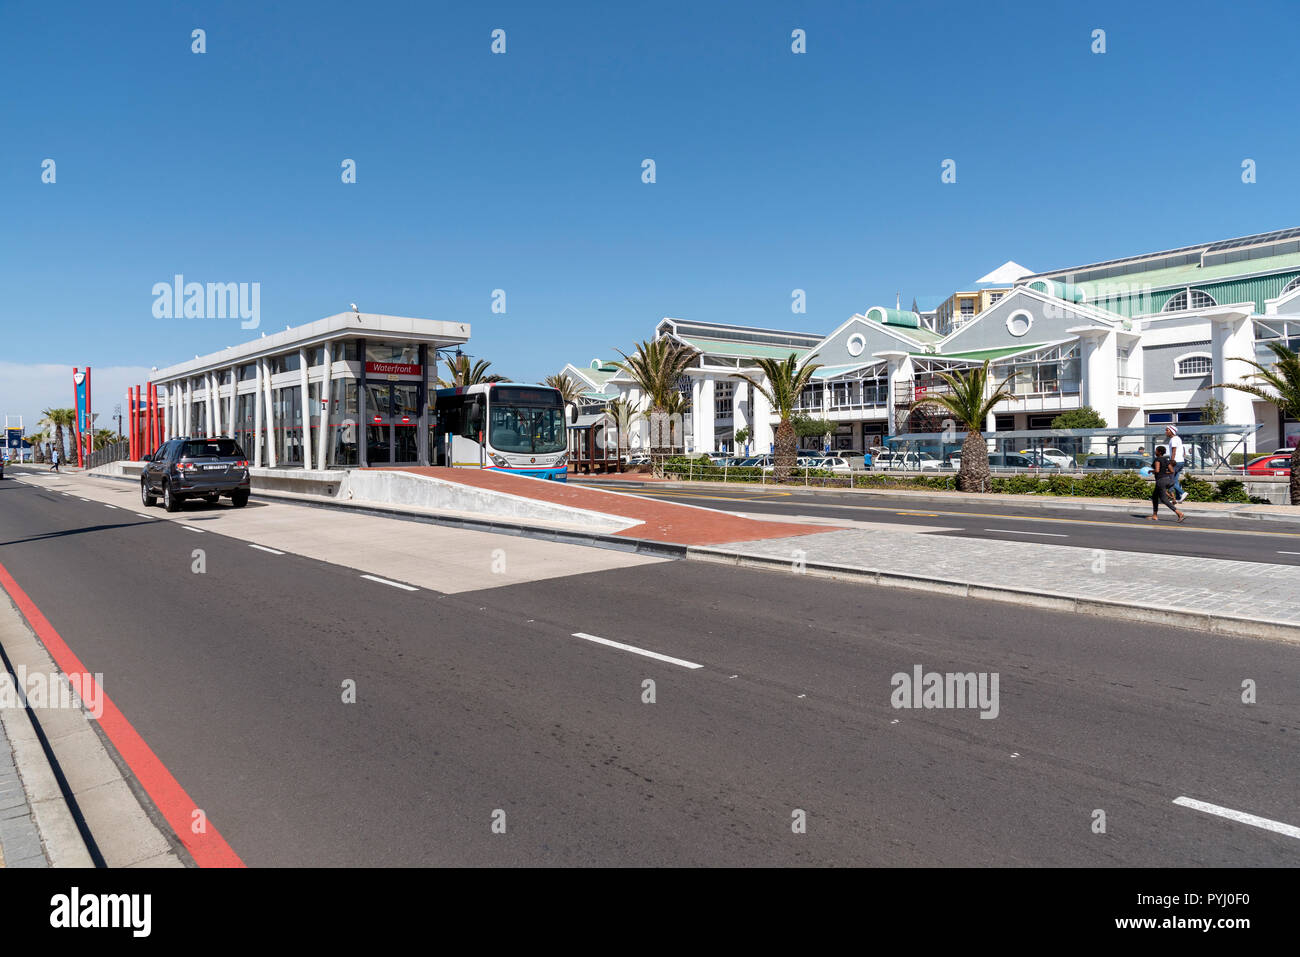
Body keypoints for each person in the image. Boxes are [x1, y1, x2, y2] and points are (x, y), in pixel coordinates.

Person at [1148, 445, 1185, 523]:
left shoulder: (1157, 459)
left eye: (1156, 450)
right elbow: (1172, 471)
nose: (1155, 452)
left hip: (1161, 481)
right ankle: (1154, 515)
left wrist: (1151, 471)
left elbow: (1157, 470)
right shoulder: (1166, 460)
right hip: (1168, 480)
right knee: (1154, 496)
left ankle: (1179, 513)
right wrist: (1164, 472)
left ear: (1159, 452)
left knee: (1164, 499)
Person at [1165, 425, 1187, 502]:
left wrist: (1171, 461)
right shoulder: (1178, 438)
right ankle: (1177, 497)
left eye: (1167, 430)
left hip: (1175, 462)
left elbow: (1174, 451)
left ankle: (1182, 493)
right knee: (1175, 480)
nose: (1166, 432)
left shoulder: (1173, 439)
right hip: (1181, 461)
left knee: (1170, 481)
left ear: (1171, 431)